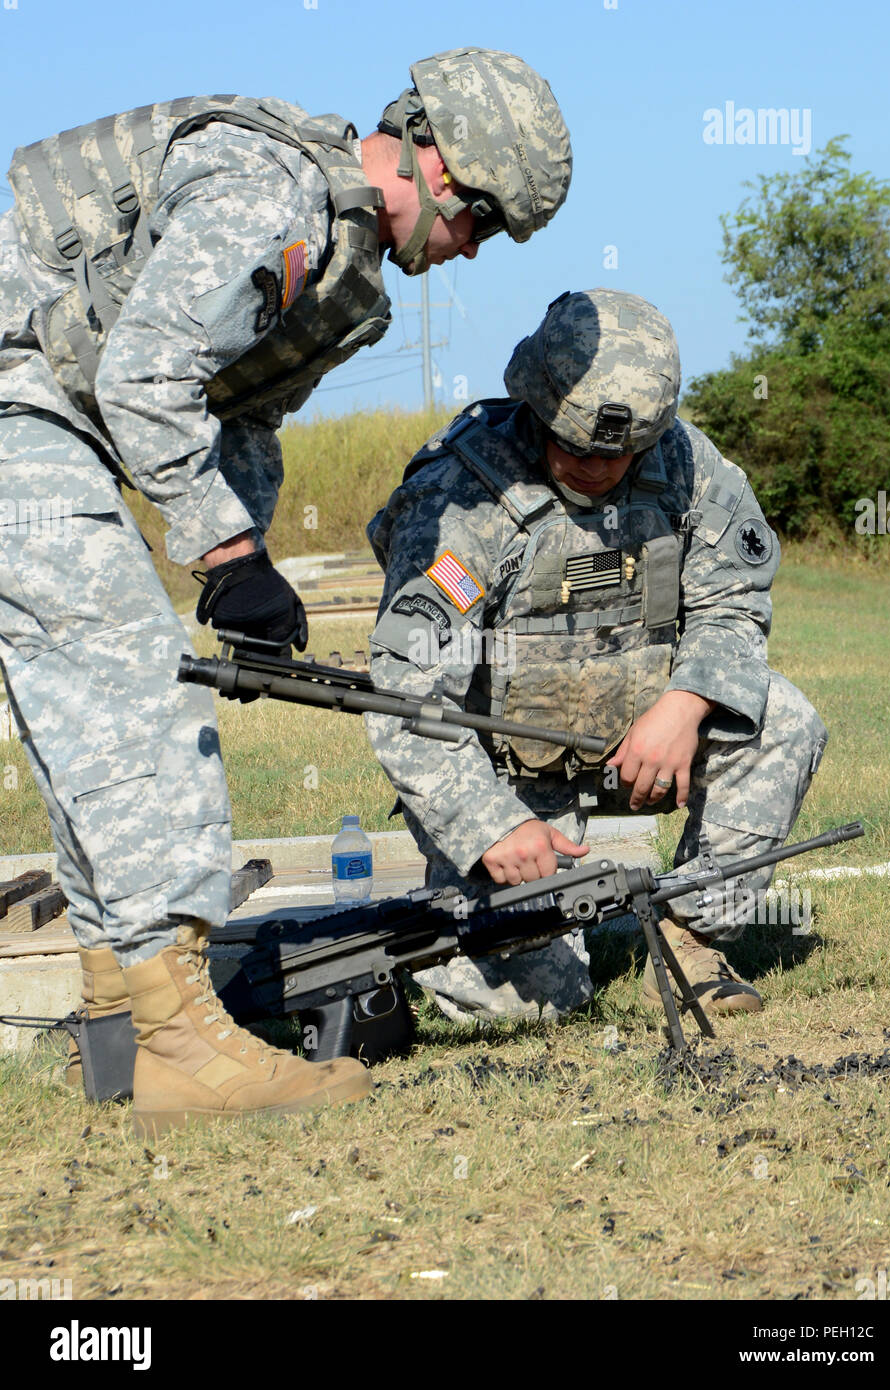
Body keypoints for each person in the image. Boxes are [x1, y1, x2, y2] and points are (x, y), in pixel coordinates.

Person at [0, 48, 572, 1137]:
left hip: (51, 406)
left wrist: (245, 563)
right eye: (481, 222)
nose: (467, 251)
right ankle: (178, 1043)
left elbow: (241, 420)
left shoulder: (349, 282)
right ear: (439, 161)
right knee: (133, 682)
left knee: (93, 704)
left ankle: (118, 1033)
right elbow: (144, 378)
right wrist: (225, 559)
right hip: (17, 386)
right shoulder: (270, 192)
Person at [364, 289, 828, 1026]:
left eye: (619, 453)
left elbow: (732, 604)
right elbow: (406, 692)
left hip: (646, 746)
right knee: (527, 1009)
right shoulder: (461, 495)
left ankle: (690, 941)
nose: (597, 468)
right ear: (539, 406)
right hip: (508, 781)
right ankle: (509, 932)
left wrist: (687, 705)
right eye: (575, 446)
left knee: (785, 719)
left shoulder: (686, 465)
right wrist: (488, 824)